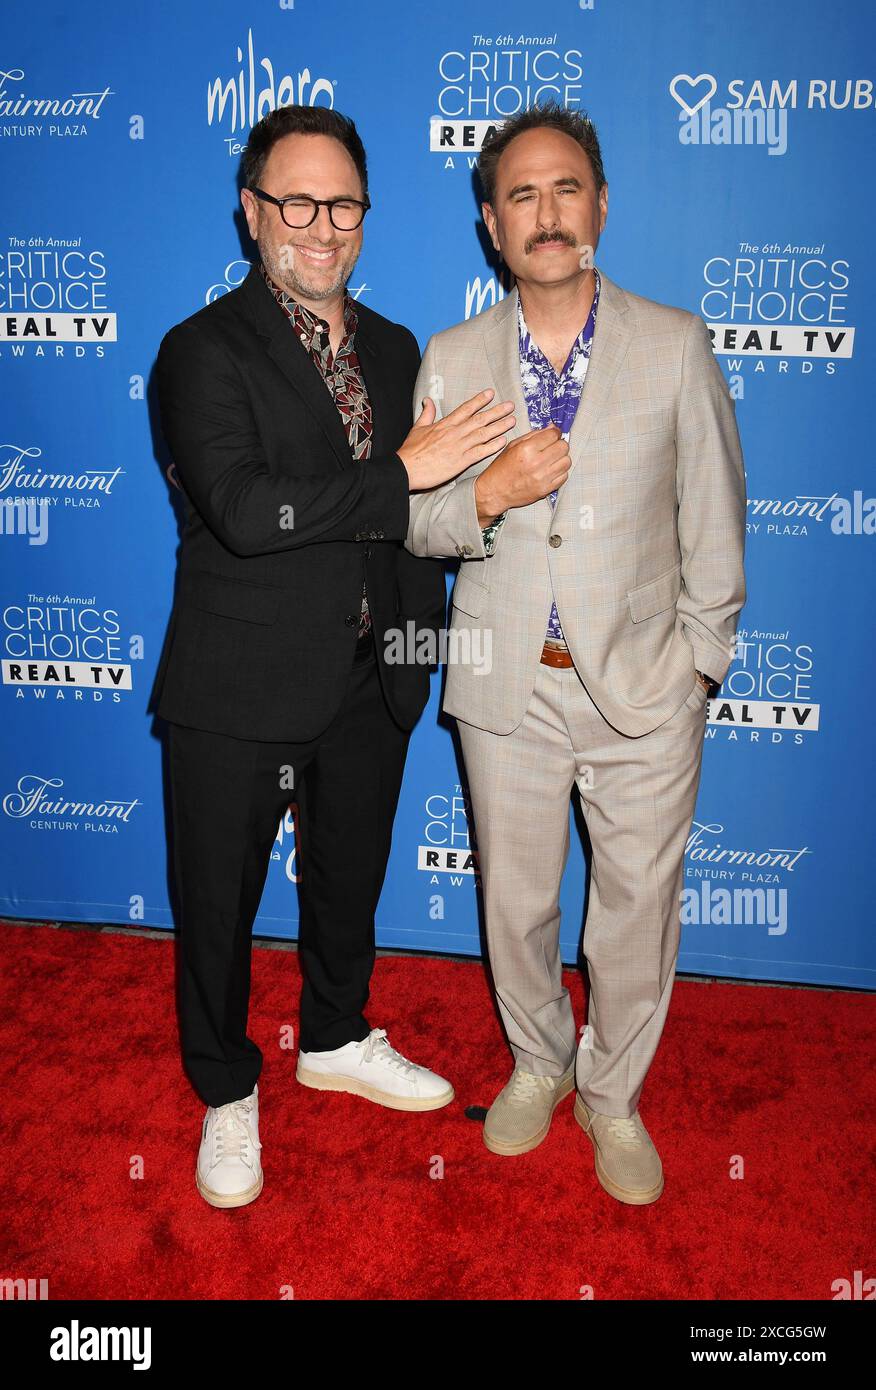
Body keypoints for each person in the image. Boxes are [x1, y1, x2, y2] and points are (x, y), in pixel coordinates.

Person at [152, 104, 515, 1207]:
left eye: (343, 203)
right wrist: (408, 470)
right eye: (297, 202)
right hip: (240, 681)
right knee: (218, 900)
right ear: (252, 211)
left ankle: (336, 1033)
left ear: (366, 214)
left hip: (377, 666)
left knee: (350, 874)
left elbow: (427, 506)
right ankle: (225, 1084)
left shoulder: (401, 347)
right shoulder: (199, 351)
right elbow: (249, 509)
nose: (322, 226)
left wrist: (471, 493)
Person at [405, 103, 746, 1205]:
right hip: (509, 685)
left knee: (637, 910)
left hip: (647, 687)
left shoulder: (678, 342)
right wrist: (486, 498)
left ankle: (612, 1092)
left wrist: (701, 663)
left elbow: (716, 519)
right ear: (491, 226)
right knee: (515, 903)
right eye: (519, 195)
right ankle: (541, 1061)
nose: (545, 214)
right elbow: (415, 524)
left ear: (600, 204)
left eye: (565, 189)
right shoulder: (450, 358)